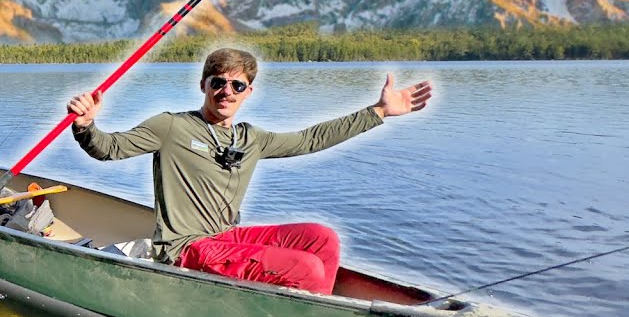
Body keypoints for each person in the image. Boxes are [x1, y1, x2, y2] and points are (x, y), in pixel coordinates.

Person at [66, 47, 432, 294]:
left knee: (321, 238)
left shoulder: (250, 138)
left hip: (225, 237)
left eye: (236, 85)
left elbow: (309, 139)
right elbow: (109, 149)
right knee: (305, 269)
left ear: (248, 91)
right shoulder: (172, 126)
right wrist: (85, 125)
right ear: (204, 86)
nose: (226, 91)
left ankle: (309, 313)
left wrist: (378, 112)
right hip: (186, 248)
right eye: (218, 82)